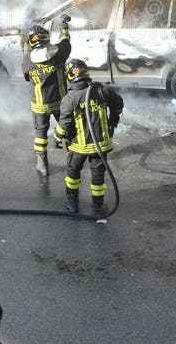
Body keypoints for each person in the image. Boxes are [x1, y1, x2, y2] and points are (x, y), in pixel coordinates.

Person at [53, 59, 123, 218]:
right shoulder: (101, 90)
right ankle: (97, 208)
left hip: (77, 147)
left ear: (69, 76)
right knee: (98, 176)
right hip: (100, 145)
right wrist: (114, 118)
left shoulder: (69, 99)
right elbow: (118, 103)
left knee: (73, 173)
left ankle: (72, 204)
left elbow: (64, 125)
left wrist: (56, 137)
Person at [22, 17, 71, 180]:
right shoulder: (59, 53)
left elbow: (27, 77)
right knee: (68, 131)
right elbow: (66, 41)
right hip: (61, 102)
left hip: (39, 106)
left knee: (40, 135)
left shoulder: (27, 60)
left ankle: (42, 165)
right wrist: (64, 27)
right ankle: (71, 160)